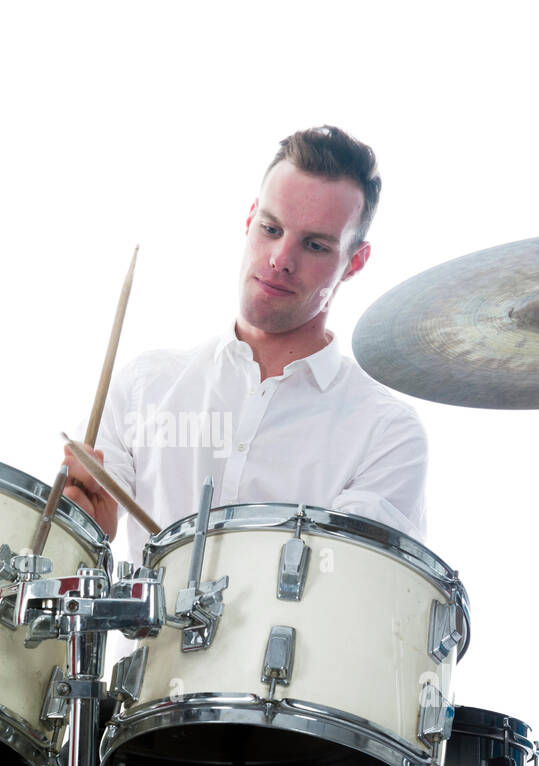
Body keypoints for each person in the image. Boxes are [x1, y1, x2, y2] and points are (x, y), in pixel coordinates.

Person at [64, 125, 428, 563]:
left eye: (314, 245)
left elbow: (349, 592)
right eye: (271, 228)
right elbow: (83, 555)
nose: (281, 260)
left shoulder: (386, 433)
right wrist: (86, 527)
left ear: (355, 262)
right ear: (250, 218)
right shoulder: (145, 385)